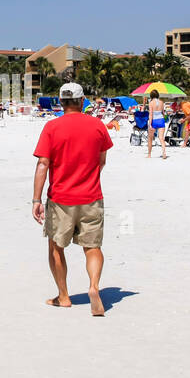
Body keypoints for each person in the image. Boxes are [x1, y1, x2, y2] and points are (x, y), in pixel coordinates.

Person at [32, 83, 112, 317]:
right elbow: (102, 161)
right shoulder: (97, 125)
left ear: (60, 102)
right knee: (92, 247)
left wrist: (36, 199)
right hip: (91, 196)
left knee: (56, 247)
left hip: (61, 198)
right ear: (82, 100)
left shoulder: (52, 127)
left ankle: (64, 296)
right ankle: (94, 287)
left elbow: (43, 164)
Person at [146, 90, 168, 159]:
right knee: (161, 138)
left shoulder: (151, 103)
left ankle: (149, 154)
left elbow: (151, 114)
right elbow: (163, 113)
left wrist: (150, 124)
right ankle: (164, 152)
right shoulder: (162, 102)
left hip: (154, 120)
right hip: (161, 120)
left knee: (150, 138)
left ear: (151, 96)